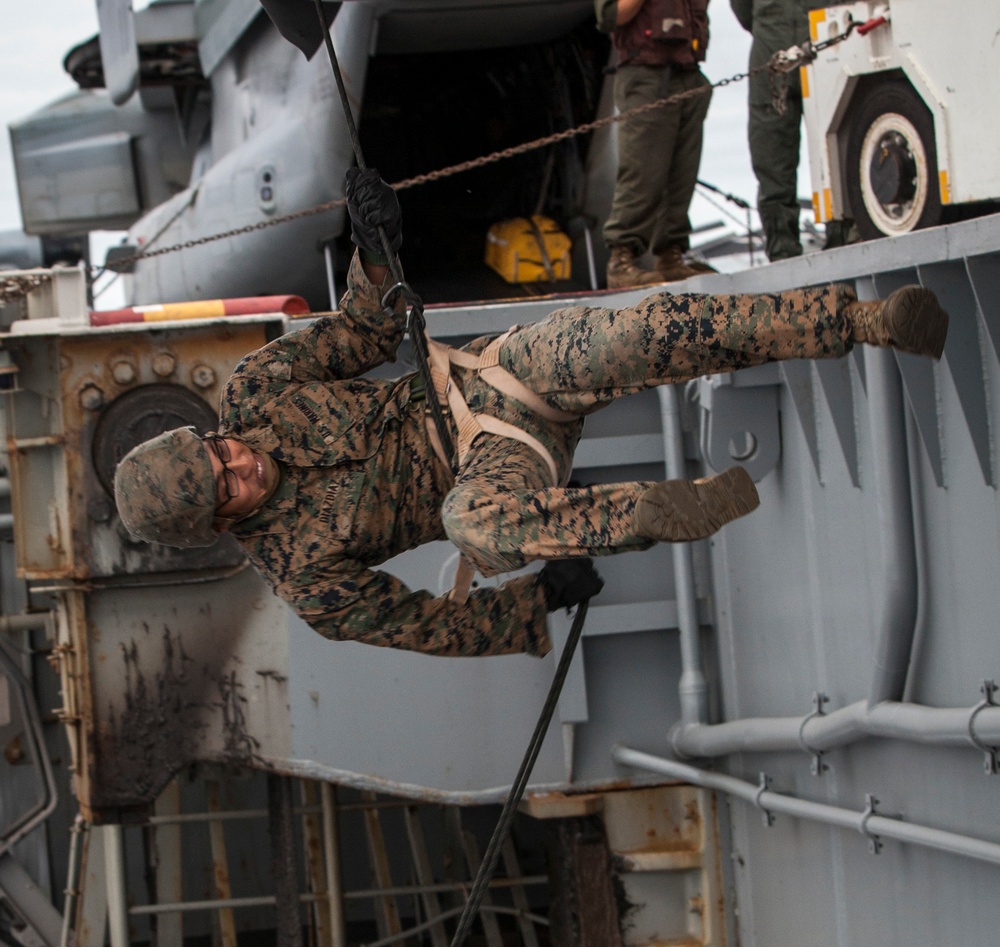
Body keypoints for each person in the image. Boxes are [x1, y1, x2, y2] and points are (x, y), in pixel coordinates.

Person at [114, 169, 948, 660]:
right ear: (221, 523)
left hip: (493, 381)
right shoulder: (307, 582)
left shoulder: (261, 388)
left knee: (649, 332)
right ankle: (655, 509)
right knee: (469, 522)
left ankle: (870, 321)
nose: (242, 463)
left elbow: (368, 326)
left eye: (222, 450)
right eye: (227, 486)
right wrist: (534, 604)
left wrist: (374, 244)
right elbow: (425, 626)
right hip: (496, 479)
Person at [596, 0, 715, 289]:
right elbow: (609, 16)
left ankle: (671, 255)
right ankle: (621, 260)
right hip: (645, 74)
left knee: (682, 174)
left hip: (687, 72)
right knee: (643, 170)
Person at [731, 0, 844, 261]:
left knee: (836, 150)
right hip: (771, 56)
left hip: (829, 44)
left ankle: (843, 237)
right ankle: (782, 250)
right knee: (771, 157)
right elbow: (741, 7)